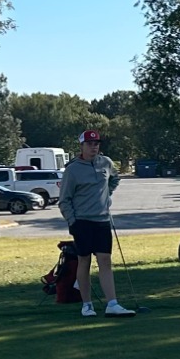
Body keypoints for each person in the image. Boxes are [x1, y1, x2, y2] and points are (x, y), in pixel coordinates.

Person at [59, 129, 132, 317]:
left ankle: (112, 304)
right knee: (84, 260)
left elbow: (114, 179)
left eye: (96, 144)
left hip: (102, 220)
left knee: (105, 260)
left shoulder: (105, 163)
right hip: (82, 221)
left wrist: (107, 194)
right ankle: (87, 305)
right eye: (90, 144)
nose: (94, 147)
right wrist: (72, 221)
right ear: (81, 146)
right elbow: (64, 200)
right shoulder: (72, 169)